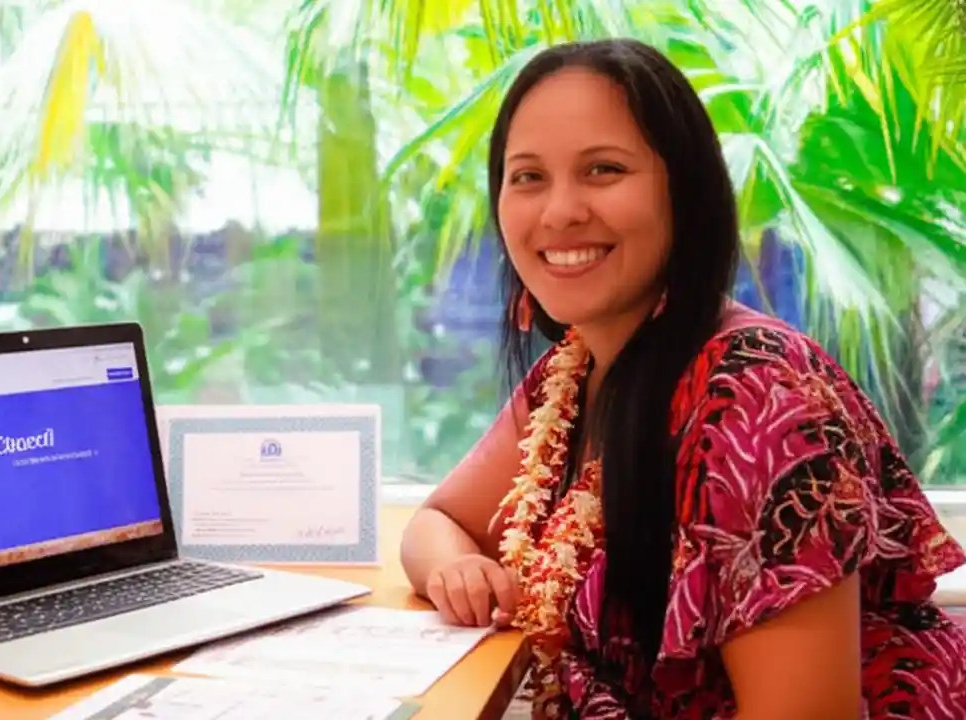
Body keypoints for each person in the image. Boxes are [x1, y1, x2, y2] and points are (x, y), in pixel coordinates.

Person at [399, 37, 966, 719]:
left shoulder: (759, 402)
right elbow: (434, 521)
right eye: (527, 177)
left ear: (685, 193)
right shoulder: (576, 370)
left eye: (603, 170)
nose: (558, 212)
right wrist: (456, 570)